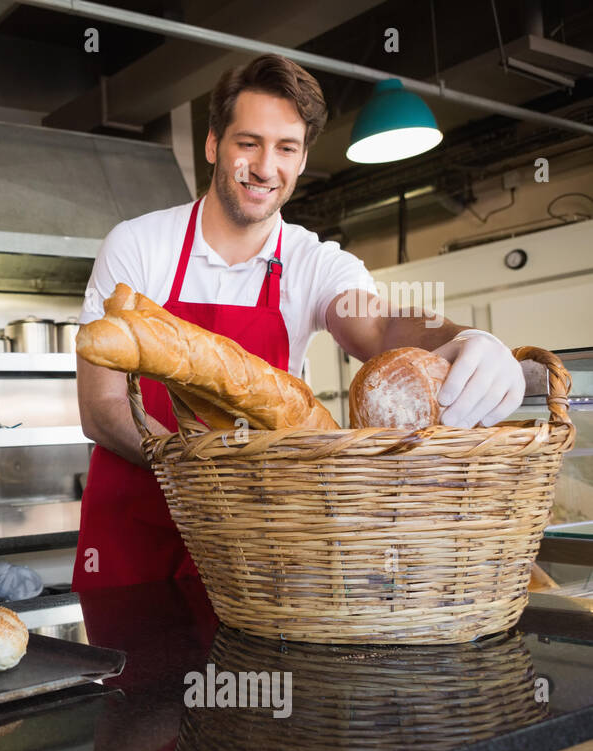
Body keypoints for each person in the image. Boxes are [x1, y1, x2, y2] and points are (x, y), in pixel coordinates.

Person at [72, 54, 526, 592]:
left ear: (303, 158)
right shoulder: (141, 244)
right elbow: (101, 409)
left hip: (256, 543)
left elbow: (379, 328)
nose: (266, 167)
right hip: (133, 535)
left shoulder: (315, 263)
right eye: (249, 143)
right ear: (214, 144)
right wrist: (206, 475)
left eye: (286, 148)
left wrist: (464, 338)